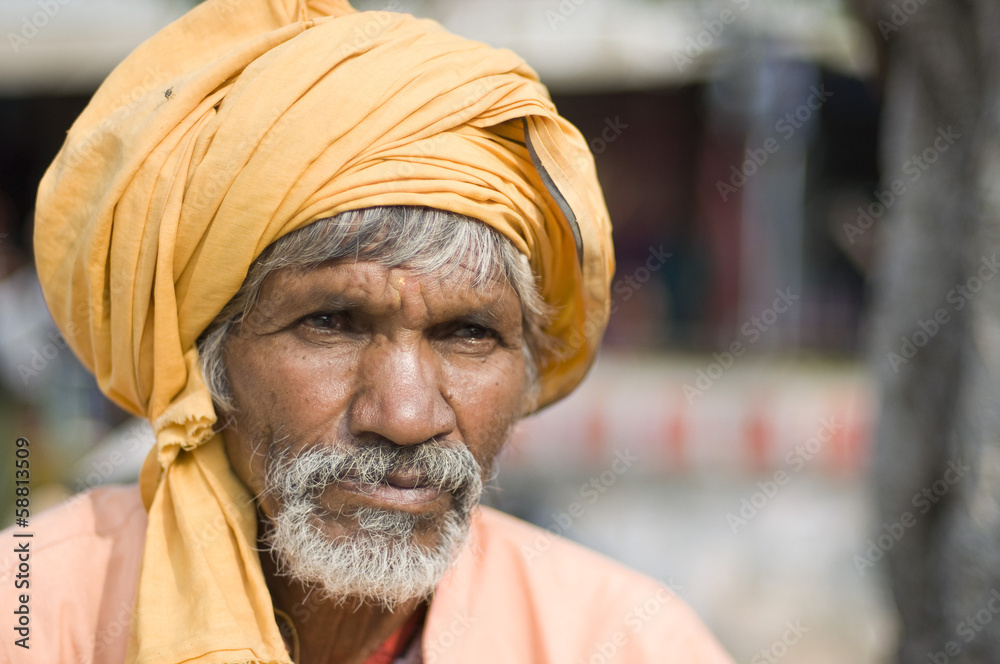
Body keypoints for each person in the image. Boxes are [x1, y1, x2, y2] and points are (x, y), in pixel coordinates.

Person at [0, 1, 734, 662]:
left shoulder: (625, 641)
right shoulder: (36, 615)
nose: (406, 415)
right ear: (207, 360)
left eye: (469, 333)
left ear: (527, 369)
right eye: (331, 323)